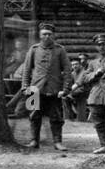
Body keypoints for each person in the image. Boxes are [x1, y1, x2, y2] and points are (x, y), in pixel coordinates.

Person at [21, 23, 72, 154]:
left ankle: (57, 142)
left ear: (53, 35)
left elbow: (67, 71)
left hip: (54, 89)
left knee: (56, 117)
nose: (47, 36)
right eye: (44, 34)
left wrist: (65, 89)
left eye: (49, 34)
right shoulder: (33, 49)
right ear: (40, 35)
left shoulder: (60, 50)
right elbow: (26, 69)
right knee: (33, 115)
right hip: (35, 88)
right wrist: (25, 86)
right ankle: (34, 141)